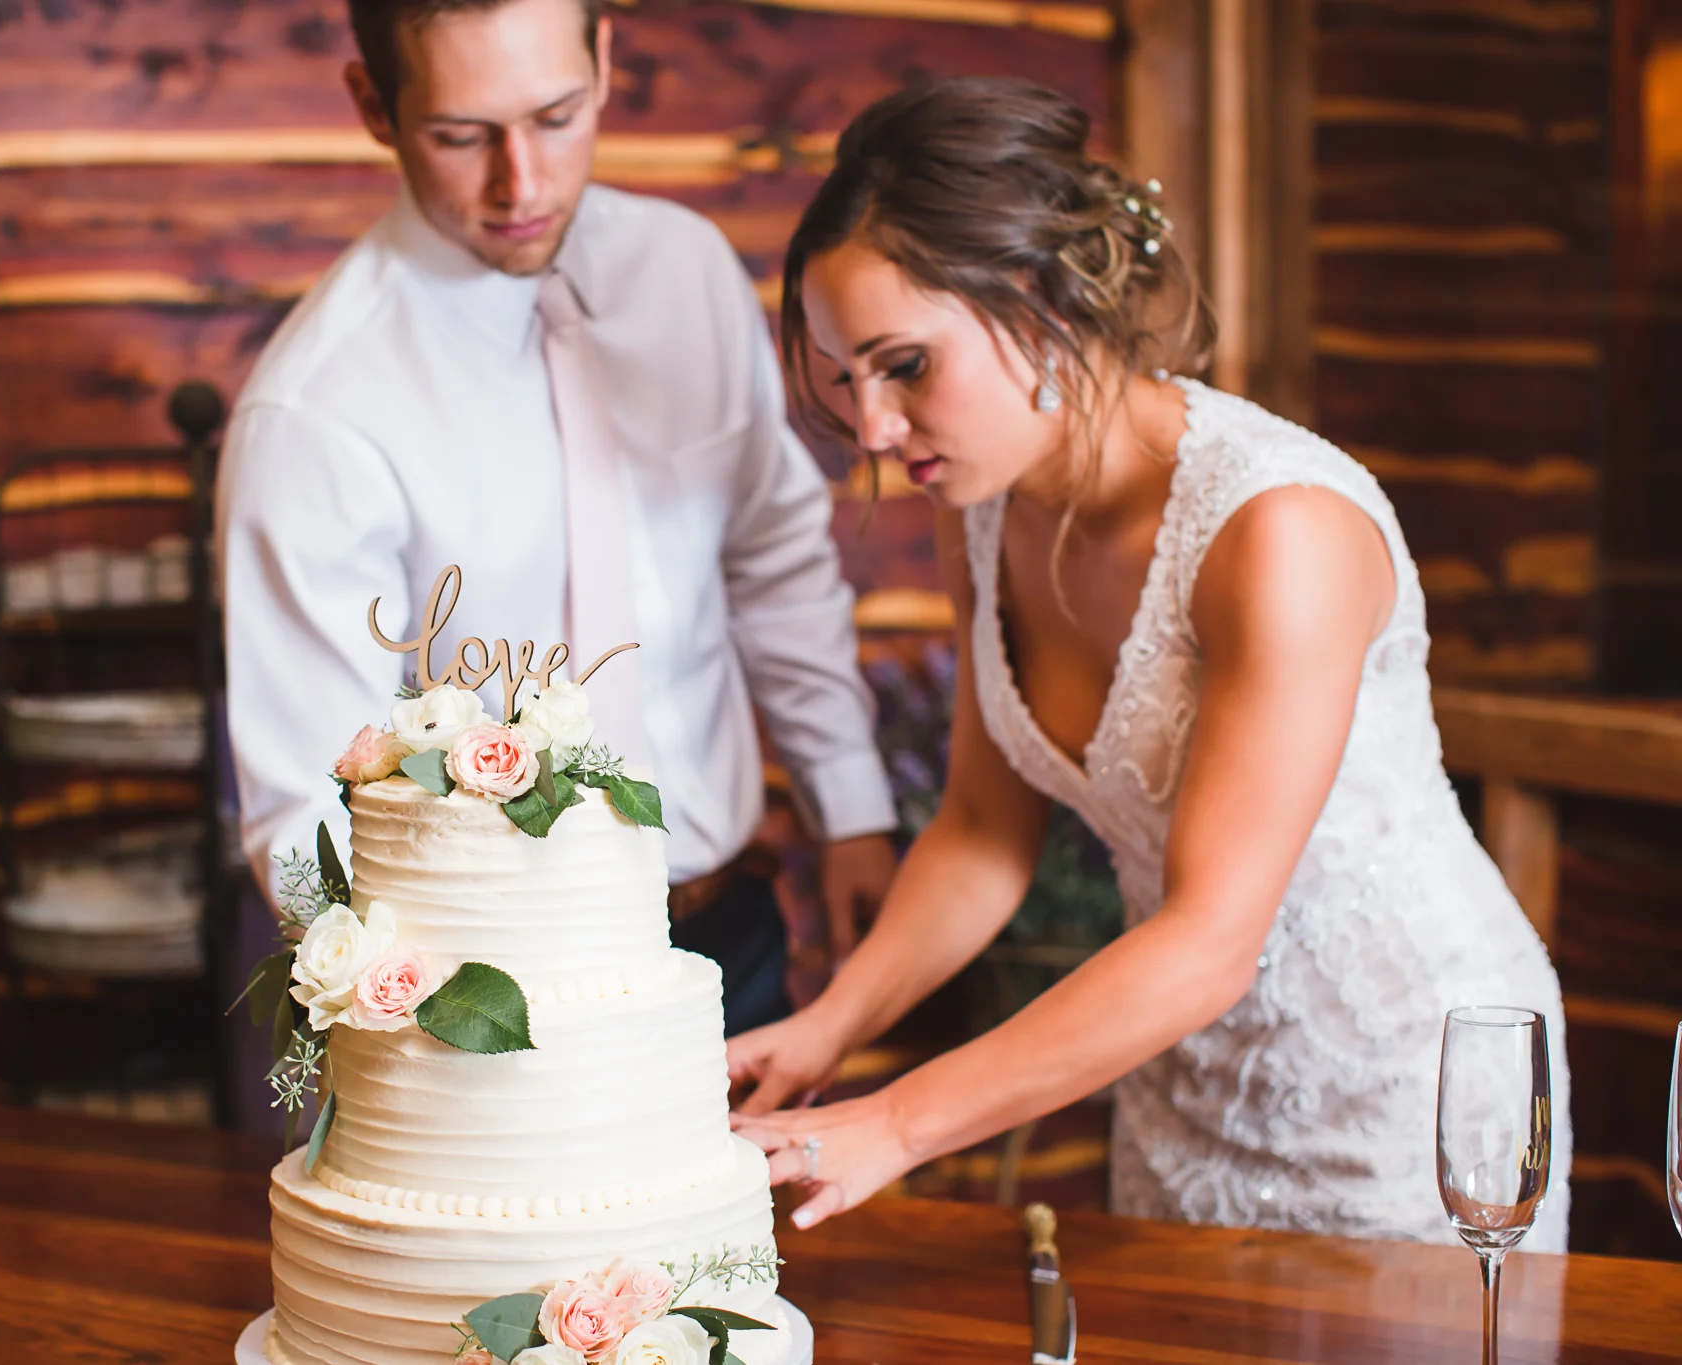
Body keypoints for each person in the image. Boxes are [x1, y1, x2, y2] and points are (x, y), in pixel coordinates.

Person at [727, 76, 1572, 1246]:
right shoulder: (982, 501)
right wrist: (830, 1027)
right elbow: (980, 831)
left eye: (903, 366)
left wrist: (896, 1125)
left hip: (1405, 1089)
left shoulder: (1278, 528)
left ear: (1039, 300)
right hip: (1171, 1064)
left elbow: (1210, 937)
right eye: (840, 380)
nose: (870, 429)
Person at [215, 0, 900, 1033]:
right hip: (491, 989)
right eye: (459, 136)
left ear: (603, 58)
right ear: (374, 106)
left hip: (727, 938)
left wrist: (850, 809)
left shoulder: (688, 270)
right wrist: (410, 1021)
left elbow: (770, 555)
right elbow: (303, 808)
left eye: (555, 116)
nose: (521, 184)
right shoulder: (315, 409)